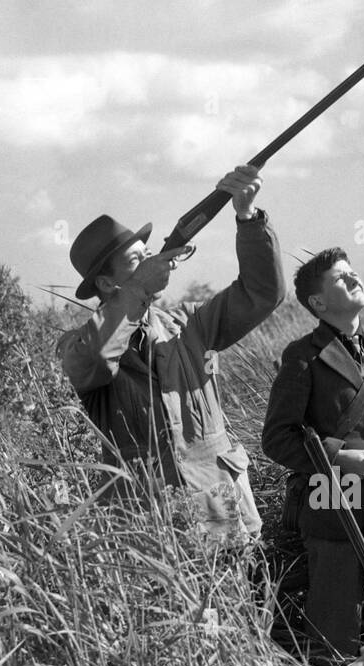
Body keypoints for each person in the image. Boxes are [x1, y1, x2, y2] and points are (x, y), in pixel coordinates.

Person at [57, 164, 284, 542]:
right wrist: (139, 290)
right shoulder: (77, 345)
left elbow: (263, 294)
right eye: (136, 262)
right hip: (147, 531)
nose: (150, 265)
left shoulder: (188, 324)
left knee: (234, 600)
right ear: (106, 283)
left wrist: (247, 217)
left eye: (149, 256)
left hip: (220, 516)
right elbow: (95, 359)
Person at [261, 247, 364, 663]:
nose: (353, 279)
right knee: (334, 628)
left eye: (352, 272)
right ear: (317, 302)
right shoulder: (302, 355)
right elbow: (277, 438)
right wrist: (338, 456)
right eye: (339, 278)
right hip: (333, 504)